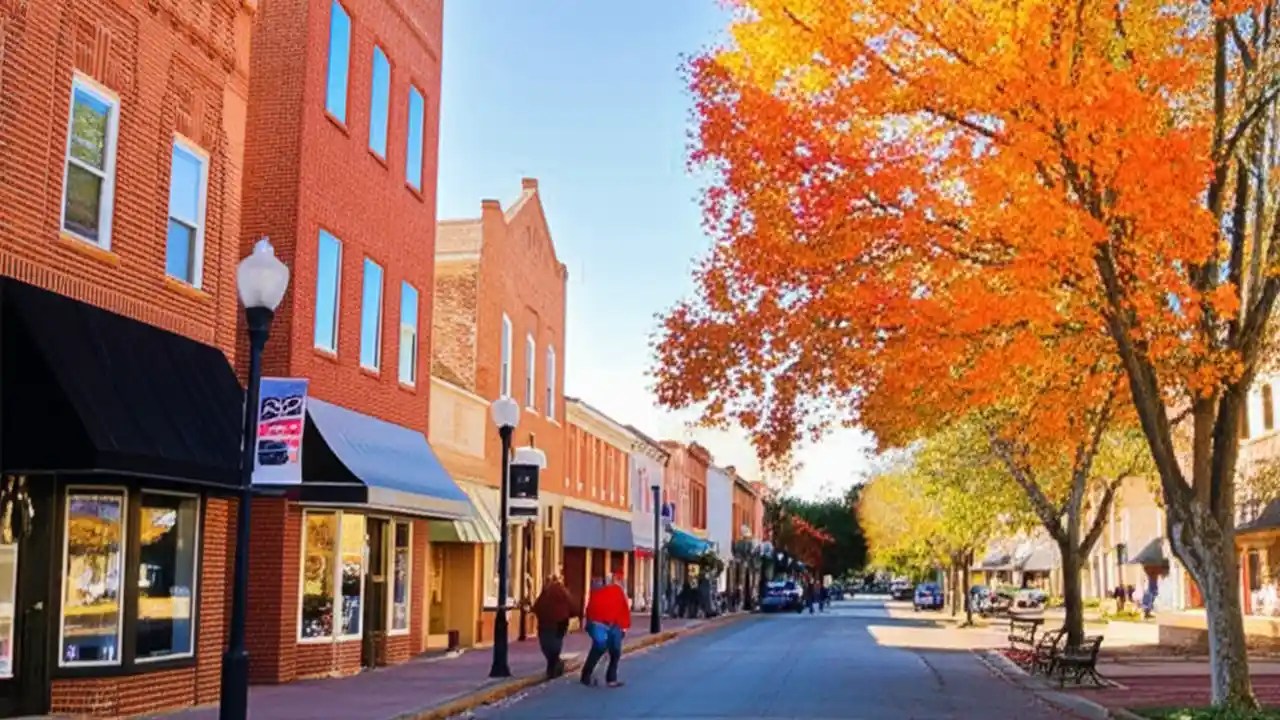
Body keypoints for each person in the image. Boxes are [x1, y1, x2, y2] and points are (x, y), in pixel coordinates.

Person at [581, 572, 631, 688]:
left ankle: (611, 678)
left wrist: (624, 626)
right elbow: (591, 609)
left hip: (614, 624)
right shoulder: (598, 591)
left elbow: (623, 608)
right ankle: (586, 675)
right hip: (599, 623)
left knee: (615, 651)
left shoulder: (617, 591)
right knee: (600, 647)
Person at [532, 574, 578, 678]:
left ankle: (553, 665)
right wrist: (570, 615)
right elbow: (572, 605)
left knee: (546, 643)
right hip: (559, 622)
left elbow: (537, 606)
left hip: (545, 623)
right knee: (556, 642)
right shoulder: (562, 591)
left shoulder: (545, 592)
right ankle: (554, 664)